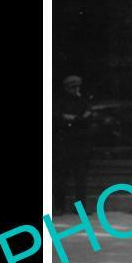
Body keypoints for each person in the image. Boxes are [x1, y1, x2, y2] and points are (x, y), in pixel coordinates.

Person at [55, 74, 94, 214]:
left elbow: (88, 118)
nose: (76, 89)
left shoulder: (83, 101)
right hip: (64, 144)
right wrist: (78, 119)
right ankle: (59, 207)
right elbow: (58, 119)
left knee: (81, 178)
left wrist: (72, 119)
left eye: (77, 86)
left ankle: (80, 208)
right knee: (61, 176)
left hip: (81, 144)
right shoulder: (60, 102)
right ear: (66, 88)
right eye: (73, 87)